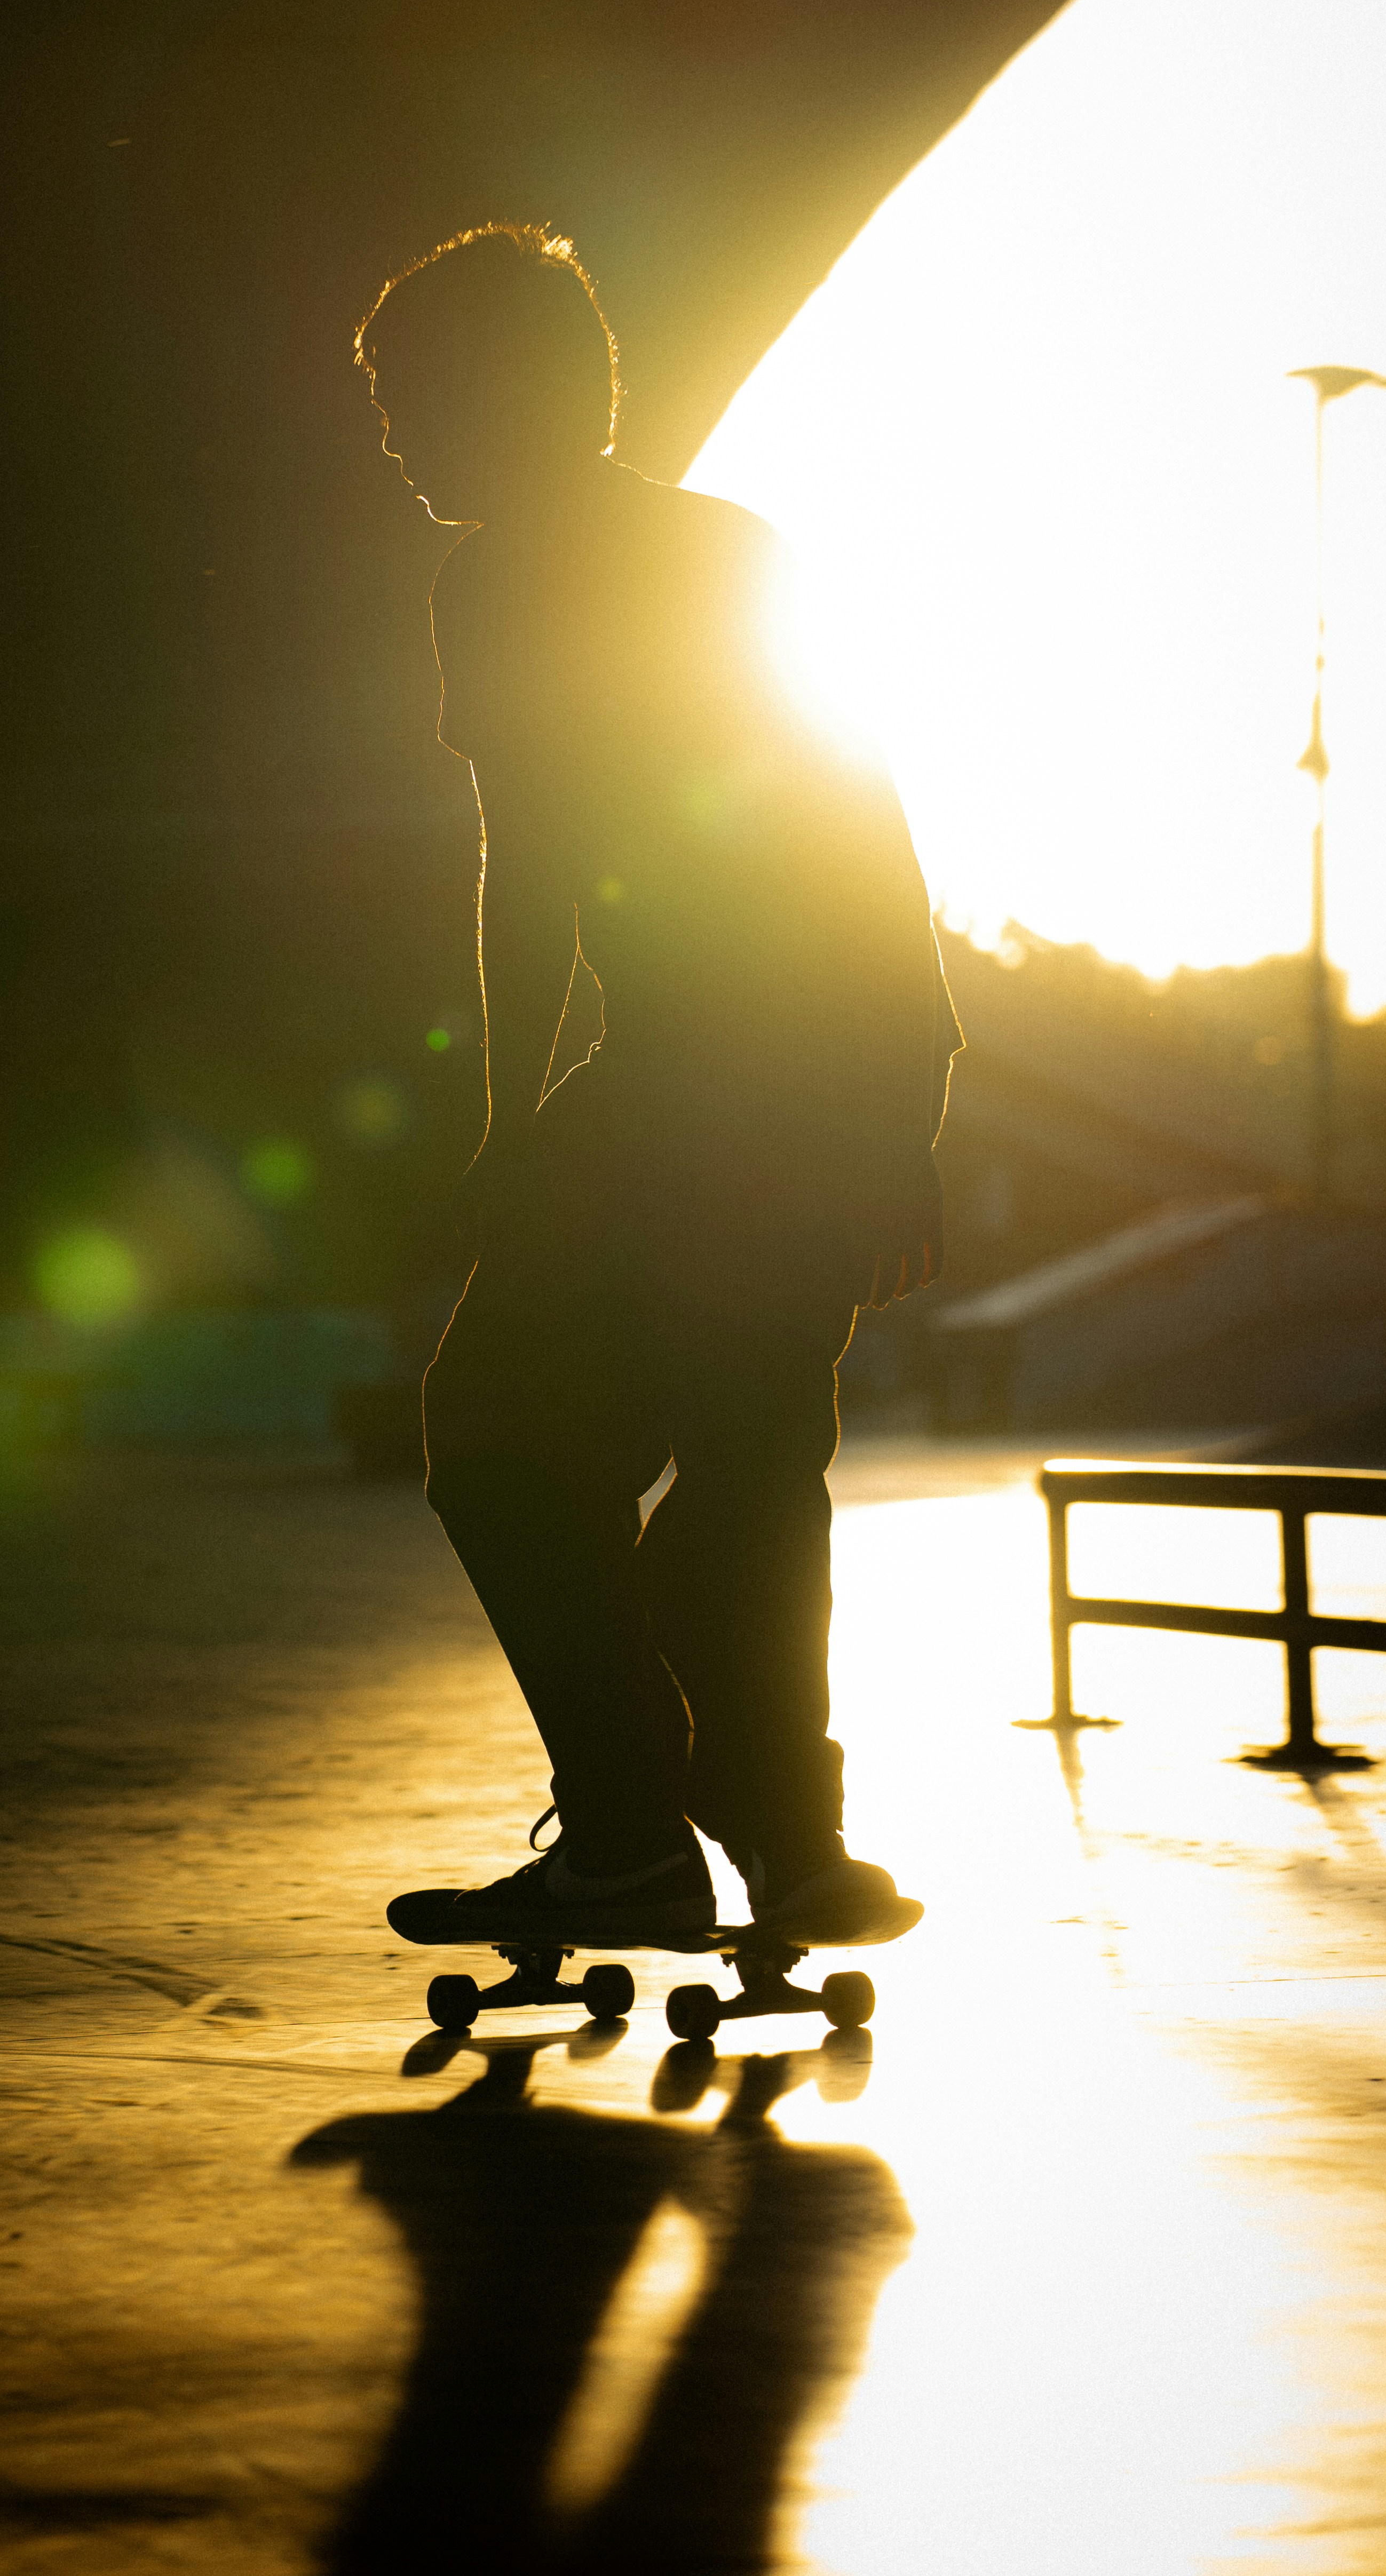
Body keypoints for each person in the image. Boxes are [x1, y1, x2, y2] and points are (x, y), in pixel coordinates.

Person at [357, 223, 957, 1953]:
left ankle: (635, 1826)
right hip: (795, 1086)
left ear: (511, 389)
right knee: (752, 1460)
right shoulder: (724, 552)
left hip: (710, 1085)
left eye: (410, 397)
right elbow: (860, 834)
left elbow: (539, 867)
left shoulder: (504, 587)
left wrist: (512, 1138)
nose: (394, 438)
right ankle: (787, 1844)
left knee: (491, 1436)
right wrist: (897, 1114)